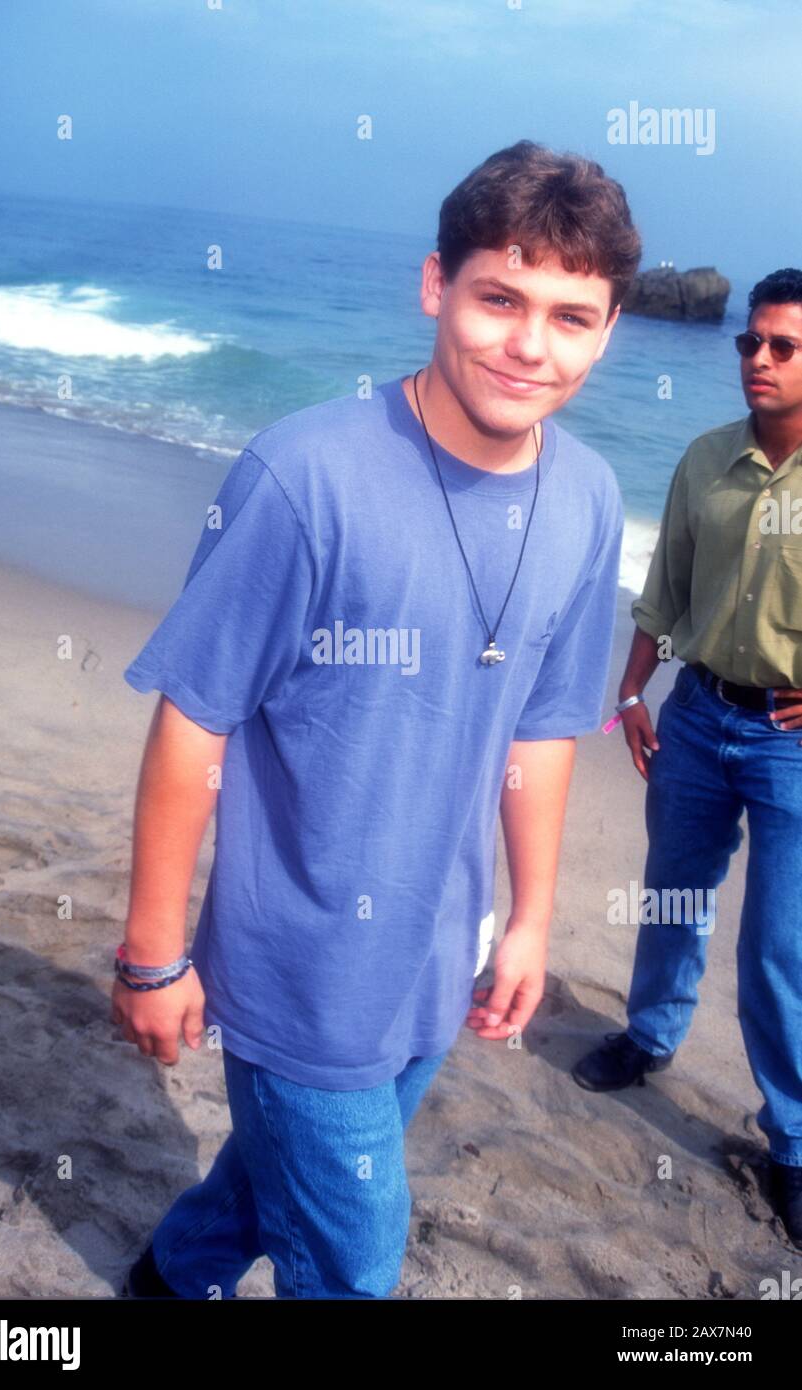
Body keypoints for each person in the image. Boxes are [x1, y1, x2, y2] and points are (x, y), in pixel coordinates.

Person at [113, 139, 641, 1299]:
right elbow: (193, 722)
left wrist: (531, 921)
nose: (529, 344)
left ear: (607, 334)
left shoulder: (594, 499)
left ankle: (165, 1279)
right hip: (297, 963)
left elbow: (544, 727)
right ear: (434, 286)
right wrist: (152, 956)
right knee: (354, 1255)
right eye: (499, 297)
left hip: (434, 952)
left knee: (268, 1185)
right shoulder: (306, 477)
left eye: (570, 315)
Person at [572, 268, 802, 1249]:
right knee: (673, 893)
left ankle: (792, 1141)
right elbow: (663, 593)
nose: (757, 358)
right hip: (699, 717)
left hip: (793, 746)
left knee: (780, 947)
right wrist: (630, 693)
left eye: (781, 346)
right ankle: (650, 1035)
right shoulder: (707, 461)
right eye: (749, 342)